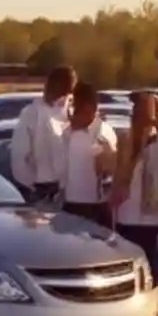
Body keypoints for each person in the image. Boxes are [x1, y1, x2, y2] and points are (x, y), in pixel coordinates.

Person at [110, 92, 158, 281]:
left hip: (153, 221)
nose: (142, 119)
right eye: (138, 113)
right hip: (126, 219)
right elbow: (119, 179)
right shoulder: (127, 140)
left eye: (147, 115)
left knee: (151, 276)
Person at [10, 65, 75, 204]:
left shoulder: (70, 114)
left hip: (67, 191)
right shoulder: (32, 113)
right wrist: (32, 188)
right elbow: (19, 155)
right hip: (41, 190)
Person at [60, 82, 117, 226]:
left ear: (91, 108)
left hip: (92, 209)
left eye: (78, 108)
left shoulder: (103, 133)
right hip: (65, 205)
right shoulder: (66, 133)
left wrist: (104, 160)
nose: (74, 113)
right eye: (74, 107)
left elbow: (108, 170)